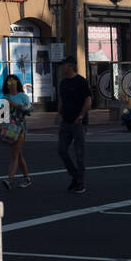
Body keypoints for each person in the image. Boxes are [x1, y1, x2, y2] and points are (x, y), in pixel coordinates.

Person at [57, 57, 91, 193]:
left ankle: (80, 183)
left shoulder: (81, 82)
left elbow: (88, 100)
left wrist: (81, 116)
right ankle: (76, 177)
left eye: (63, 65)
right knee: (62, 150)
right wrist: (59, 112)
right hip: (65, 122)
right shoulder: (63, 83)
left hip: (78, 123)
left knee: (79, 154)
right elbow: (62, 100)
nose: (62, 68)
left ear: (70, 66)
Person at [0, 74, 32, 190]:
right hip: (10, 129)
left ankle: (9, 179)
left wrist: (16, 105)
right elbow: (1, 115)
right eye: (8, 82)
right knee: (18, 154)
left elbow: (29, 110)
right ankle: (27, 178)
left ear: (17, 83)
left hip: (20, 128)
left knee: (14, 155)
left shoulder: (22, 96)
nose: (11, 84)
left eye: (13, 82)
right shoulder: (5, 97)